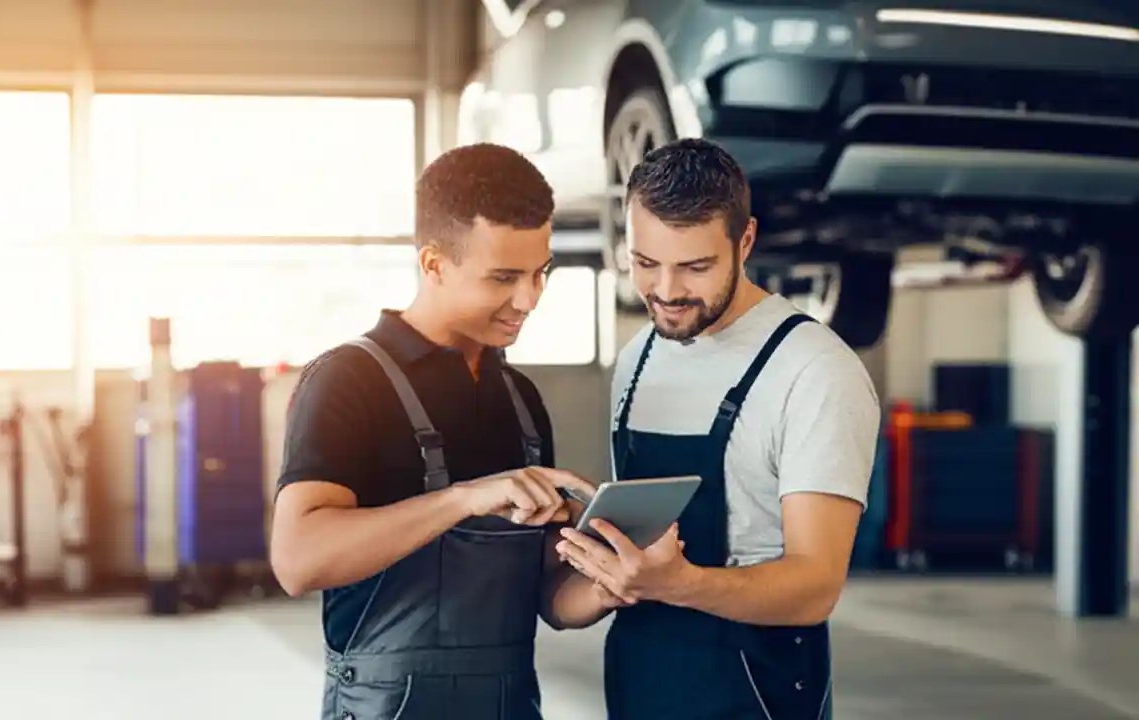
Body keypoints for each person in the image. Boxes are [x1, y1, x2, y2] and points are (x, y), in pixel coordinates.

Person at [545, 138, 881, 719]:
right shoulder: (638, 358)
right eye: (646, 263)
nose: (668, 291)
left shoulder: (813, 369)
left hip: (756, 690)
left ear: (744, 241)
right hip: (641, 680)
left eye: (695, 267)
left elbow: (815, 584)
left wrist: (676, 583)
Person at [270, 142, 597, 720]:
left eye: (540, 273)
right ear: (433, 265)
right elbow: (297, 560)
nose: (529, 299)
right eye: (503, 277)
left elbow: (547, 597)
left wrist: (604, 586)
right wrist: (464, 499)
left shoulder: (520, 402)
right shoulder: (349, 381)